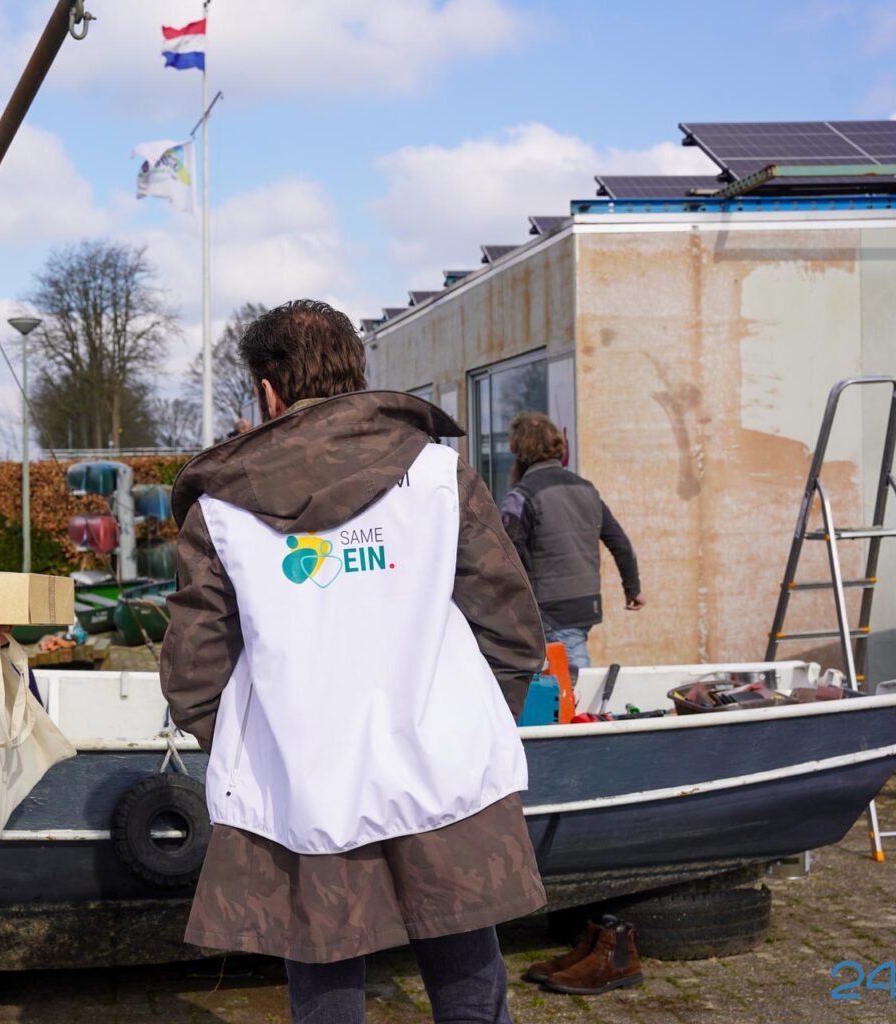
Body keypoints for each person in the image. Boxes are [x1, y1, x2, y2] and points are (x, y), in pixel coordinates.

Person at [160, 299, 549, 1024]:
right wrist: (467, 721)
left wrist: (257, 748)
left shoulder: (221, 508)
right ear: (358, 374)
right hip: (444, 768)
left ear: (268, 391)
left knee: (325, 979)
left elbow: (193, 672)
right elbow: (511, 622)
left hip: (306, 779)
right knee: (466, 970)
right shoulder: (440, 475)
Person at [499, 411, 643, 670]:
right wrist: (633, 588)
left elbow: (511, 556)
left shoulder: (521, 496)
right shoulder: (587, 489)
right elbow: (621, 542)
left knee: (568, 681)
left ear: (519, 451)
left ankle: (576, 710)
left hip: (549, 606)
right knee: (561, 674)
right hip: (585, 602)